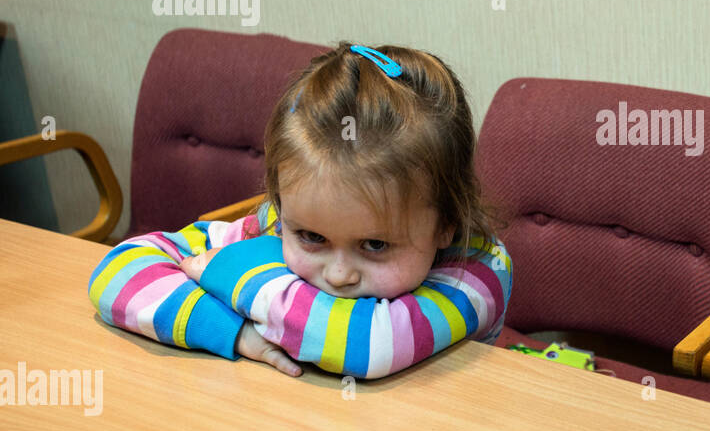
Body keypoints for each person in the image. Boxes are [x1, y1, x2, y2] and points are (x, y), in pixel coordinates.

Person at [87, 42, 512, 379]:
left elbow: (368, 346)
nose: (339, 274)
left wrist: (228, 271)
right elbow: (116, 272)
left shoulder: (476, 269)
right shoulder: (274, 224)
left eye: (375, 244)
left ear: (446, 222)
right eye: (312, 238)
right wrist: (234, 333)